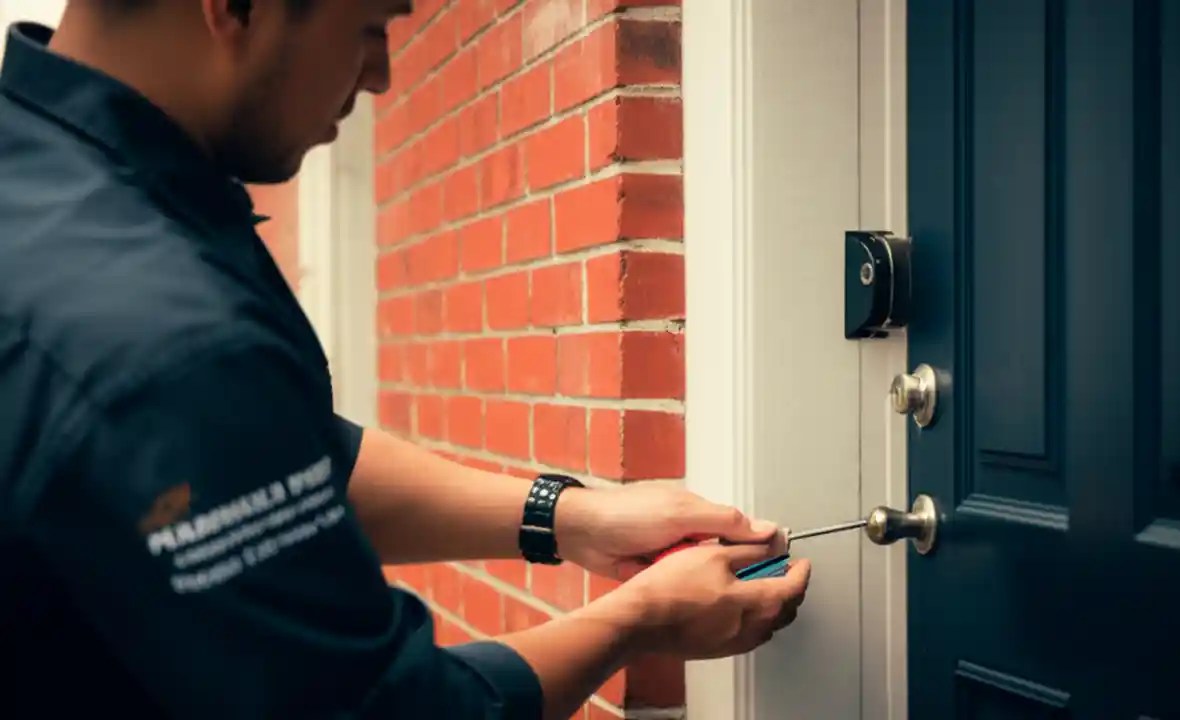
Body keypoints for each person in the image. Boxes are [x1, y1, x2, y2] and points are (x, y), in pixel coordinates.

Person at [0, 1, 812, 718]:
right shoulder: (161, 338)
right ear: (235, 7)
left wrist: (571, 517)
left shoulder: (46, 184)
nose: (383, 75)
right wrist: (639, 622)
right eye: (371, 25)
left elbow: (267, 455)